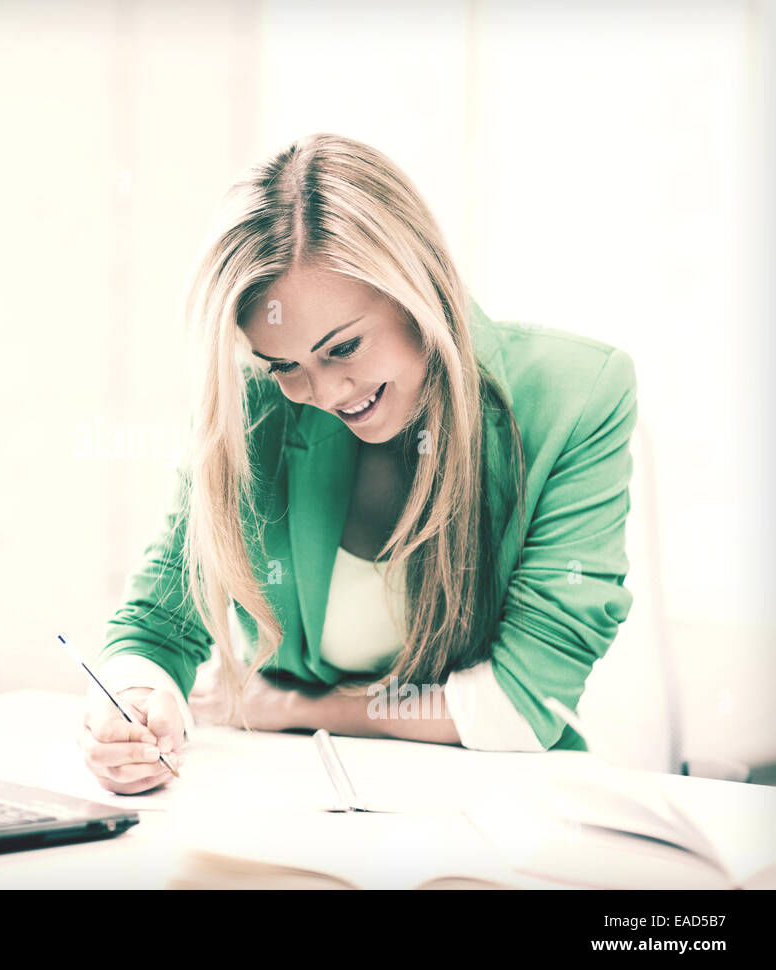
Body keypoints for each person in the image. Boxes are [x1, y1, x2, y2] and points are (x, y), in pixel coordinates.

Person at [79, 133, 637, 796]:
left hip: (503, 809)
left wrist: (292, 708)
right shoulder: (255, 402)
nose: (325, 392)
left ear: (416, 285)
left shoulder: (579, 396)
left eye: (342, 346)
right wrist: (136, 704)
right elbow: (156, 622)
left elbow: (526, 701)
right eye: (285, 365)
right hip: (293, 800)